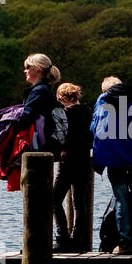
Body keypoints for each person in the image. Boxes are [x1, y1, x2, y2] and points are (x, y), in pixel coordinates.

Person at [91, 76, 132, 254]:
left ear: (105, 90)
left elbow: (94, 127)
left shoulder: (102, 100)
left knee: (121, 199)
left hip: (113, 159)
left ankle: (124, 243)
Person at [53, 82, 92, 252]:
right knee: (79, 204)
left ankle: (62, 238)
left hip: (67, 160)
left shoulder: (65, 114)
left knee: (53, 201)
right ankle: (78, 240)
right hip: (84, 161)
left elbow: (59, 137)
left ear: (62, 97)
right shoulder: (88, 112)